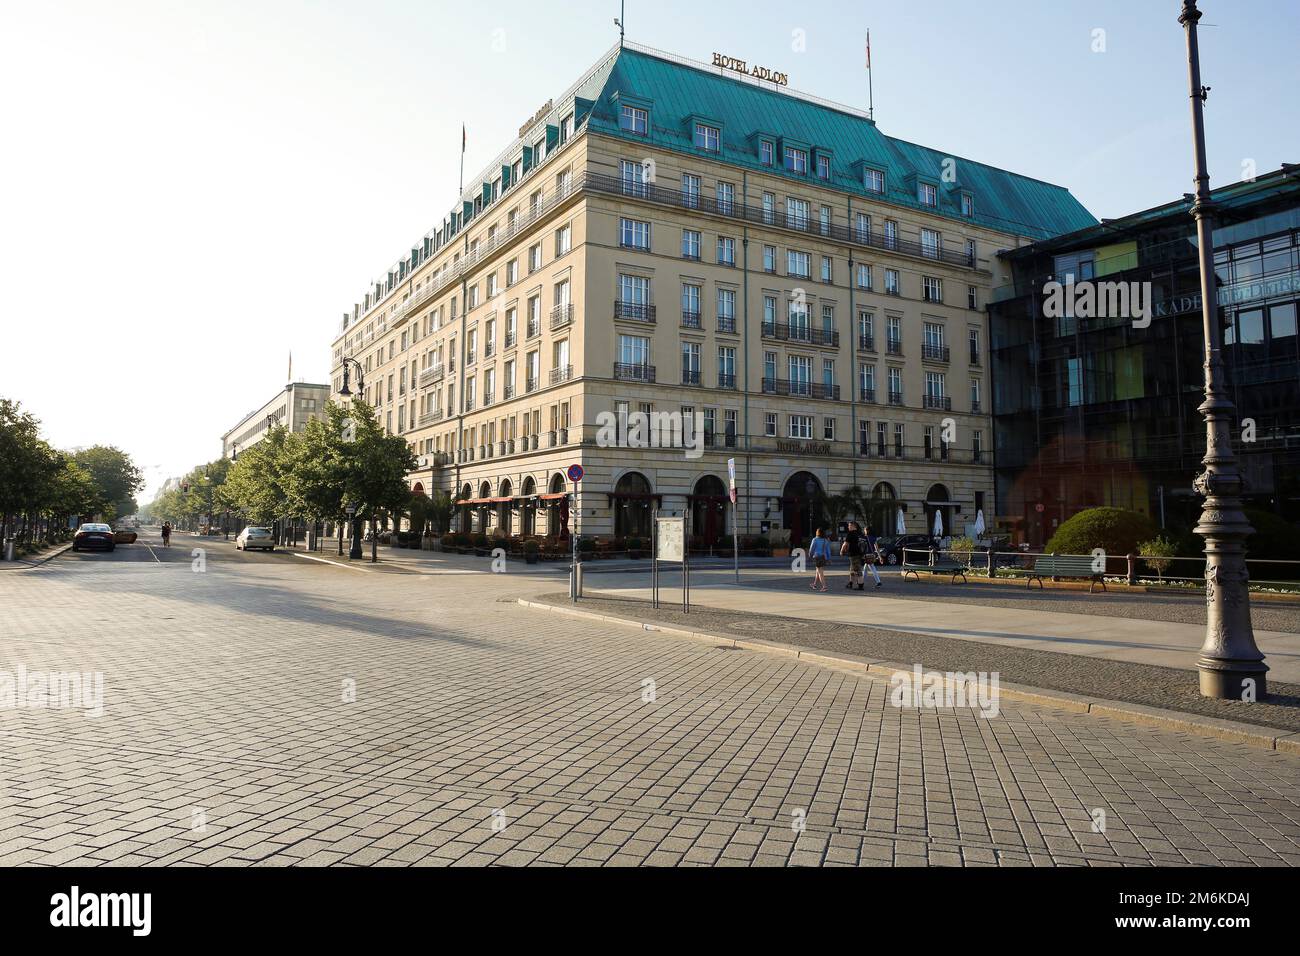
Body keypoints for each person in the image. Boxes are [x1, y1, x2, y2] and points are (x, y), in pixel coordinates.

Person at [841, 520, 864, 590]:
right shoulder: (860, 534)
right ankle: (850, 583)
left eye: (849, 525)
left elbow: (845, 544)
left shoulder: (850, 533)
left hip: (854, 554)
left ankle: (860, 585)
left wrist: (842, 551)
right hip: (859, 554)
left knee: (857, 570)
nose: (848, 527)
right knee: (852, 569)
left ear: (853, 526)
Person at [808, 528, 832, 592]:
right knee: (818, 570)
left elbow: (811, 549)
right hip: (823, 557)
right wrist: (829, 558)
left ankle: (824, 586)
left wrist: (810, 555)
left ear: (817, 533)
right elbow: (828, 550)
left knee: (820, 572)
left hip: (817, 557)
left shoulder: (815, 540)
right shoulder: (825, 540)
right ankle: (814, 584)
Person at [863, 524, 883, 588]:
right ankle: (862, 582)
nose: (864, 531)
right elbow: (877, 548)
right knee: (866, 568)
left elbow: (862, 547)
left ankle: (878, 582)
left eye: (864, 530)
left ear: (867, 530)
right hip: (872, 555)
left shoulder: (865, 538)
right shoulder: (874, 538)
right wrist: (880, 557)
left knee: (872, 569)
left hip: (867, 555)